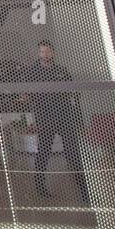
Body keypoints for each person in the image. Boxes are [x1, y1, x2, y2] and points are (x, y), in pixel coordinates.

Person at [18, 41, 91, 204]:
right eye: (42, 52)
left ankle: (84, 191)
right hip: (45, 118)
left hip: (65, 117)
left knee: (73, 153)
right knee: (43, 152)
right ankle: (40, 187)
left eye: (48, 51)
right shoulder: (31, 73)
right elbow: (26, 95)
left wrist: (78, 120)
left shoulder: (62, 71)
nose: (45, 54)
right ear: (39, 54)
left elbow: (72, 93)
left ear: (53, 53)